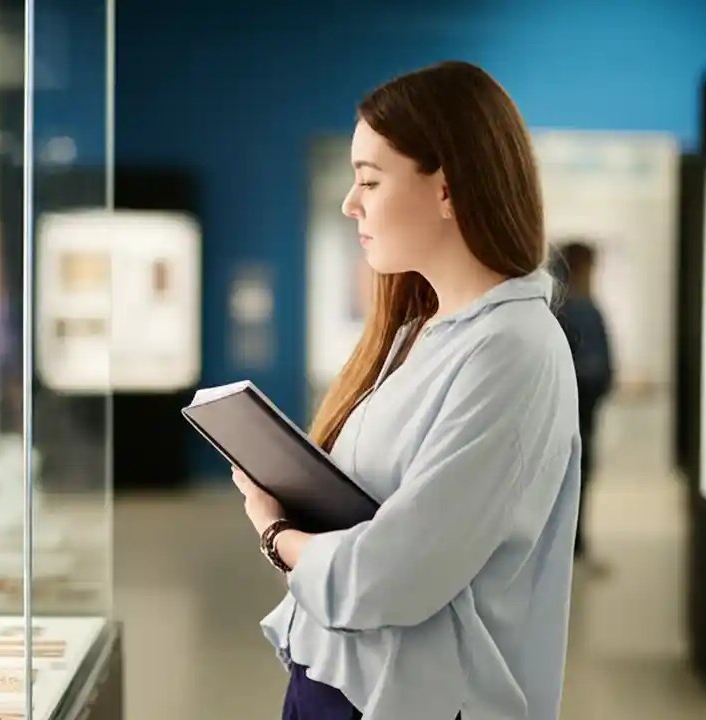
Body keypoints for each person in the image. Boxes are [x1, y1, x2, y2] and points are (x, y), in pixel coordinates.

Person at [229, 61, 582, 720]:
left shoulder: (514, 349)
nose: (349, 203)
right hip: (335, 679)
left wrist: (275, 531)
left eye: (369, 179)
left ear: (446, 188)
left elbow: (393, 575)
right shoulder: (415, 334)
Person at [551, 240, 614, 564]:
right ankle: (569, 547)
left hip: (583, 410)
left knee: (579, 475)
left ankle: (576, 545)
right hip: (572, 412)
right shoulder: (571, 310)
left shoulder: (581, 308)